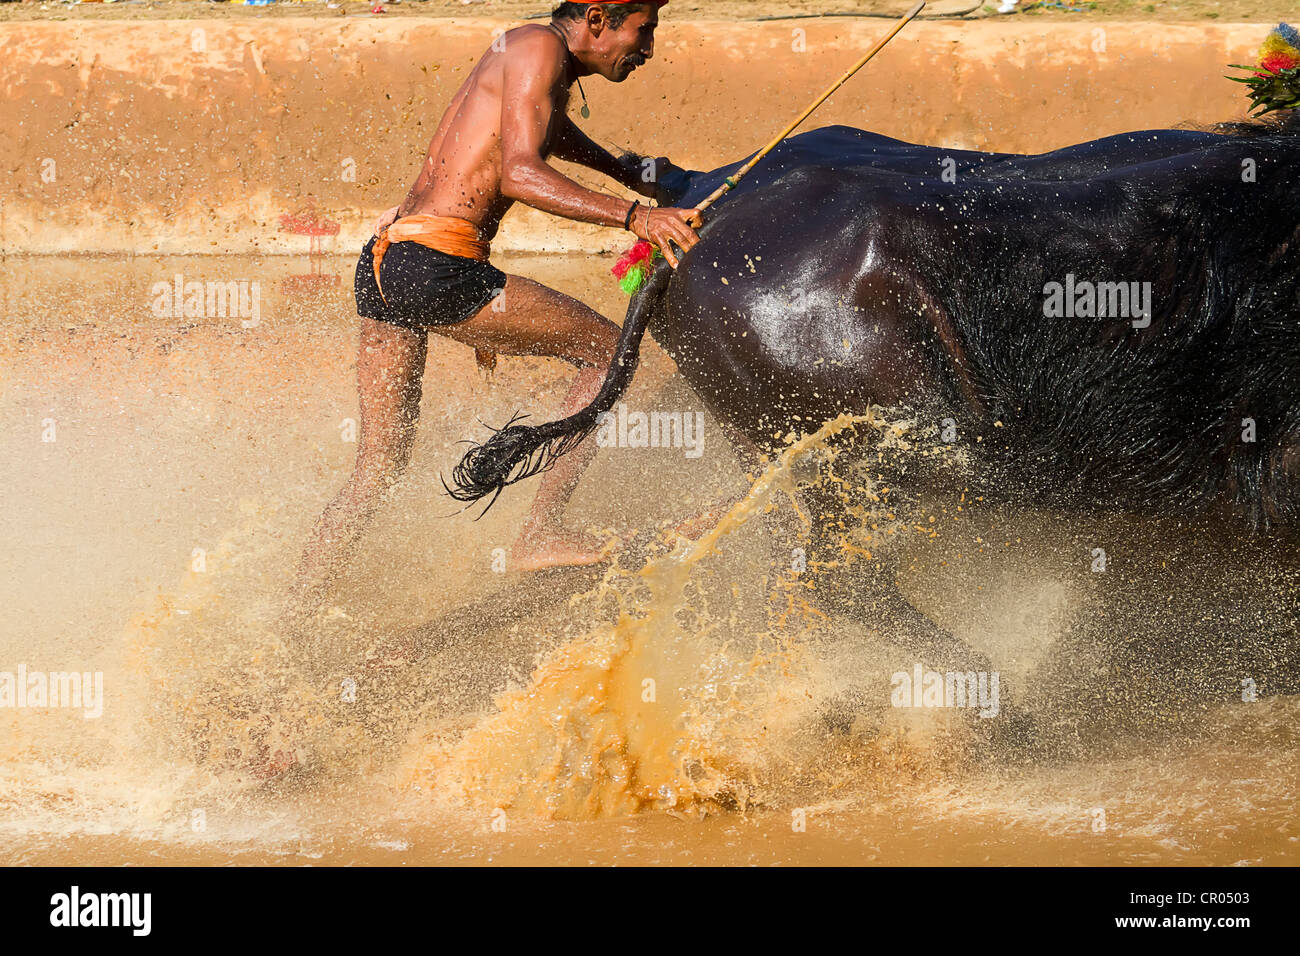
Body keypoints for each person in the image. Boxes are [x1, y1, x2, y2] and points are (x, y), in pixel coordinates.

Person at [287, 0, 702, 623]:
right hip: (436, 265)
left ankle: (295, 608)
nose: (647, 49)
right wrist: (636, 215)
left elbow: (539, 130)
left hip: (387, 262)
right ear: (597, 19)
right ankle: (541, 532)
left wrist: (628, 172)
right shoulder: (541, 49)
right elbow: (519, 171)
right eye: (642, 31)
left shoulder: (527, 48)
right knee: (610, 355)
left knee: (379, 465)